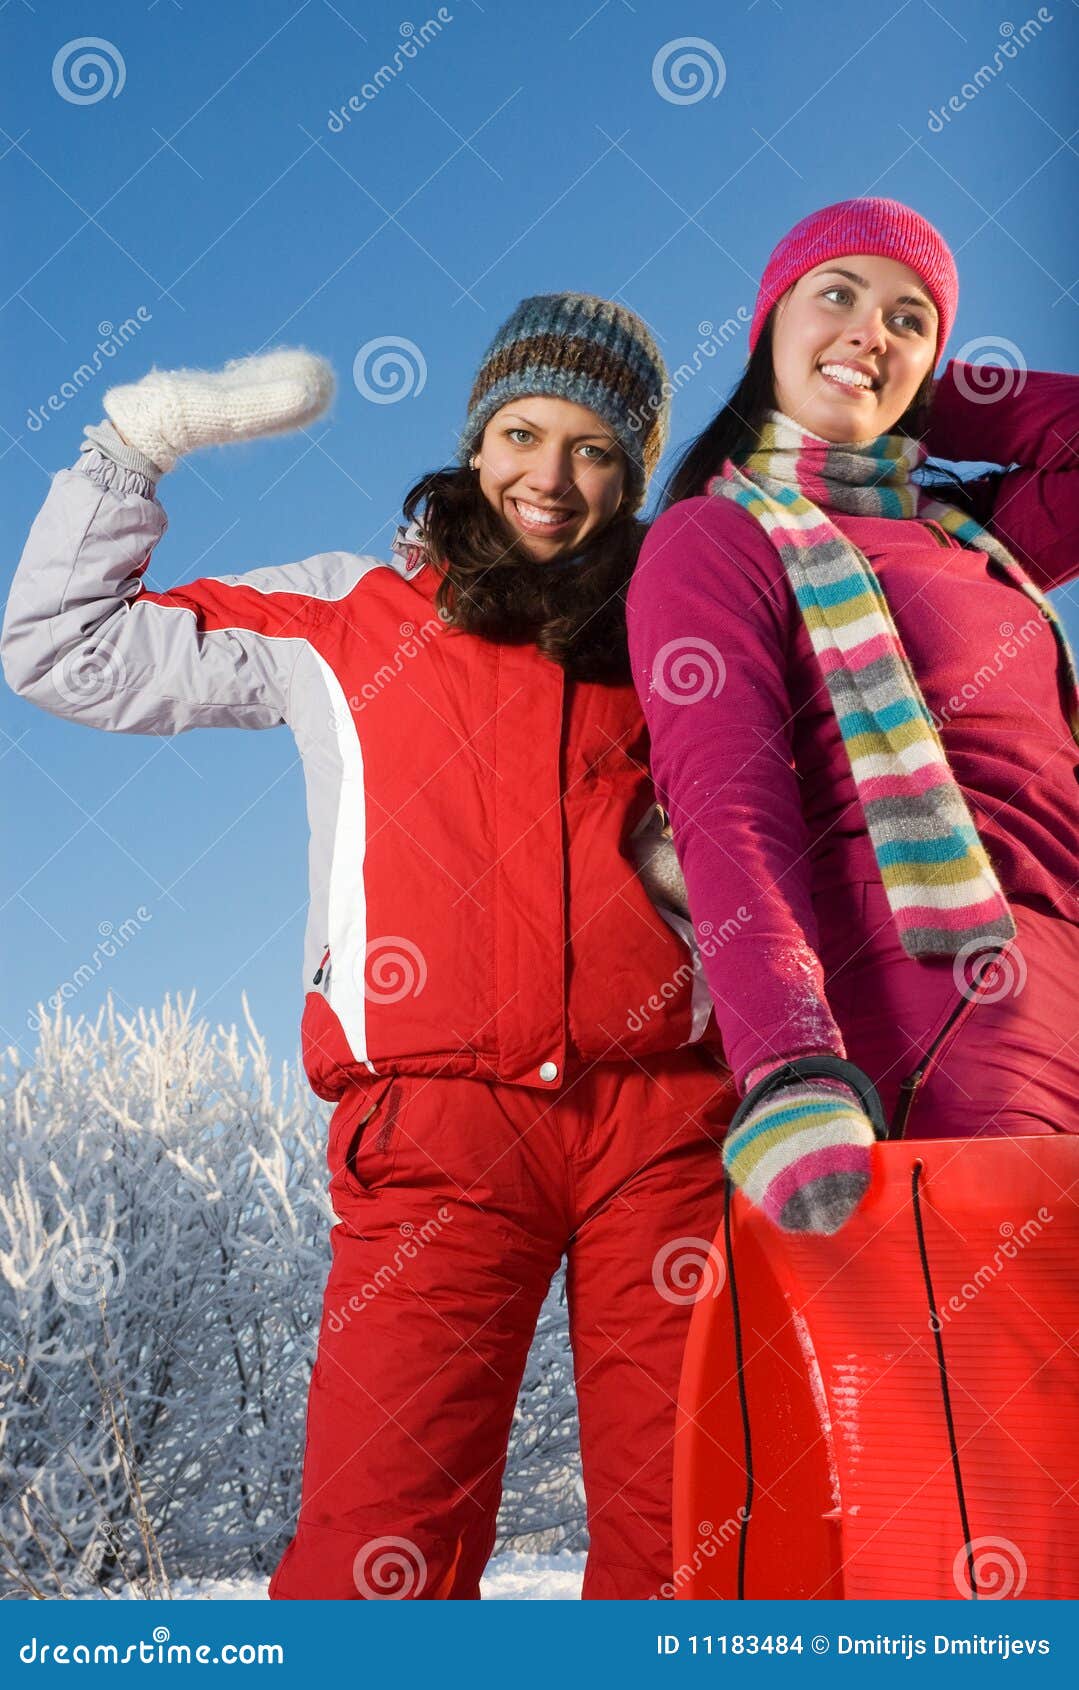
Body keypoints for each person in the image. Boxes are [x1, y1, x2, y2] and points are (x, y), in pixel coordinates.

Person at [2, 294, 736, 1600]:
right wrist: (134, 446)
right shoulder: (348, 617)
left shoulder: (671, 633)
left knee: (693, 1544)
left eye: (592, 450)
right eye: (521, 431)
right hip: (439, 1127)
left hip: (665, 1125)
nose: (548, 476)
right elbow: (63, 650)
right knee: (376, 1550)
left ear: (630, 476)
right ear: (474, 438)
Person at [627, 197, 1079, 1237]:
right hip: (938, 1009)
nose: (871, 328)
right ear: (766, 324)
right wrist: (789, 1066)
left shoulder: (968, 535)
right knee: (992, 1384)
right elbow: (726, 812)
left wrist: (907, 387)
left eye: (908, 316)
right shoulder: (716, 536)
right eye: (834, 294)